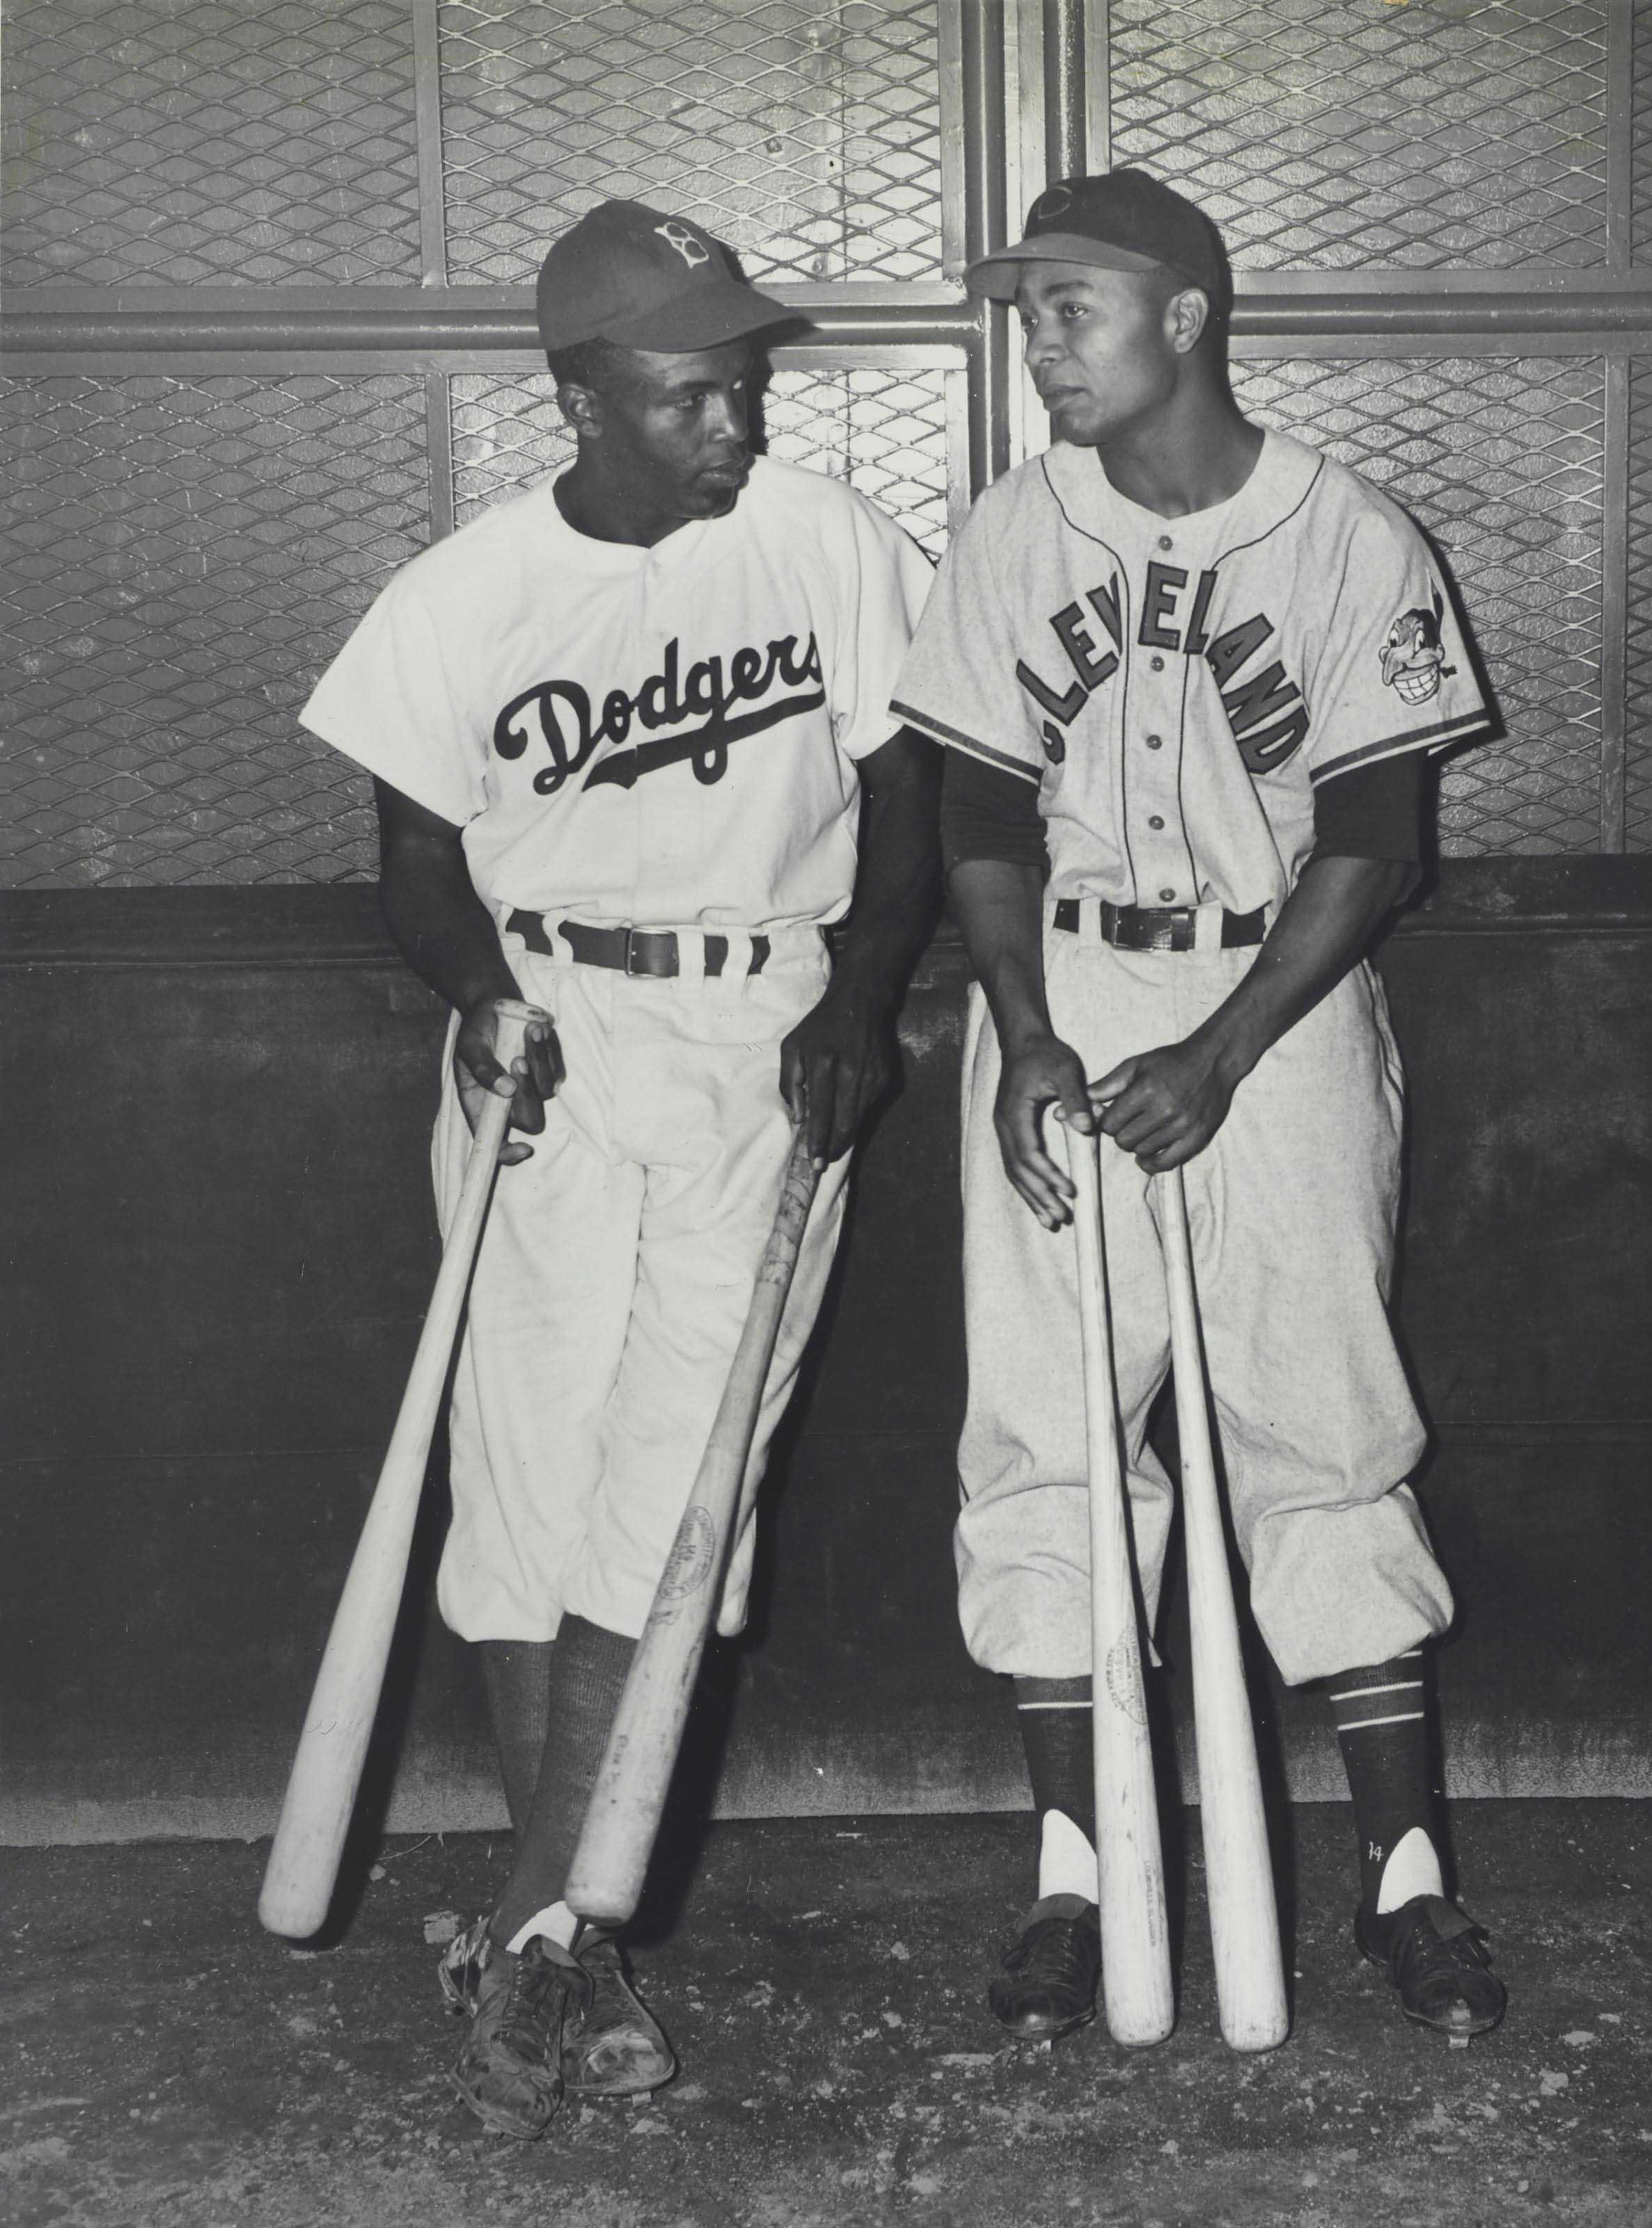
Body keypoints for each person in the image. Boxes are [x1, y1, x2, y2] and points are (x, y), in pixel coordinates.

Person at [301, 197, 938, 2137]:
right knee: (531, 1479)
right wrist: (482, 997)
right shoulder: (462, 597)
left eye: (741, 381)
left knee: (678, 1497)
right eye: (687, 392)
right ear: (577, 394)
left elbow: (917, 794)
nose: (732, 420)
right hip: (555, 1041)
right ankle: (559, 1925)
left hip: (765, 1033)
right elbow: (416, 870)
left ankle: (538, 1927)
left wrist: (864, 1003)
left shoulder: (826, 542)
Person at [888, 168, 1506, 2046]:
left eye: (1073, 301)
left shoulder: (1350, 536)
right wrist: (1024, 1032)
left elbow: (1380, 845)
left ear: (1190, 313)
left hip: (1282, 1001)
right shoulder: (1012, 527)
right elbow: (977, 812)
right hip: (1067, 986)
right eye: (1026, 307)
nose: (1040, 337)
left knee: (1322, 1422)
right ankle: (1076, 1882)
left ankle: (1410, 1890)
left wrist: (1223, 1054)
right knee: (1051, 1433)